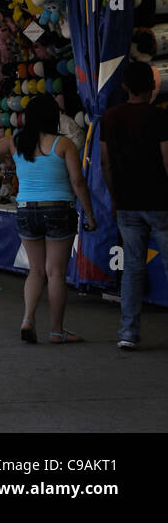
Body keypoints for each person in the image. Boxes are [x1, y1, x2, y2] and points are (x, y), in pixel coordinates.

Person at [0, 93, 95, 343]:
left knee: (36, 270)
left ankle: (28, 319)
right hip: (58, 209)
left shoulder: (16, 142)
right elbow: (77, 182)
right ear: (54, 117)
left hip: (26, 209)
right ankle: (56, 331)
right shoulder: (64, 145)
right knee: (55, 273)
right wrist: (90, 215)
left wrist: (8, 156)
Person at [99, 61, 168, 350]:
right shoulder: (160, 118)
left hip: (126, 202)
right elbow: (167, 160)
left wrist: (114, 197)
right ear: (153, 87)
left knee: (133, 268)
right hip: (160, 201)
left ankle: (128, 332)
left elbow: (106, 163)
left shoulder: (109, 118)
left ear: (124, 86)